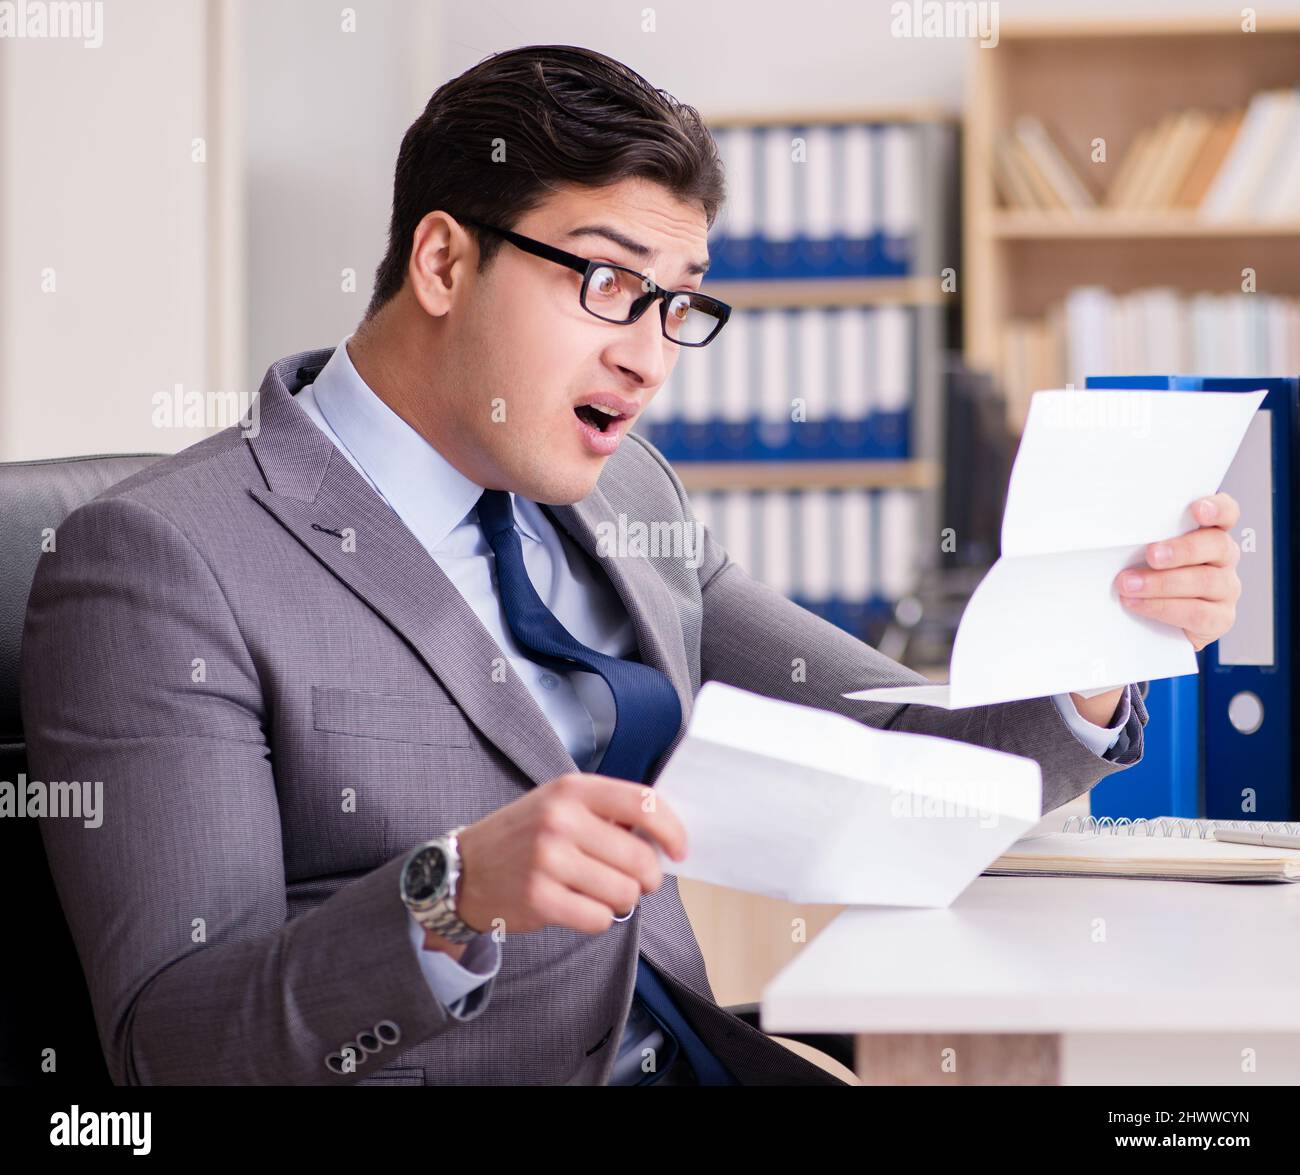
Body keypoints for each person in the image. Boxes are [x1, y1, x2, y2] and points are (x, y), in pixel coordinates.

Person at [20, 44, 1241, 1086]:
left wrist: (1099, 642)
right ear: (443, 263)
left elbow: (908, 747)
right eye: (608, 284)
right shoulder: (163, 560)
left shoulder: (626, 497)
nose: (650, 358)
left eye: (677, 304)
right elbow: (172, 1043)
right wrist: (455, 893)